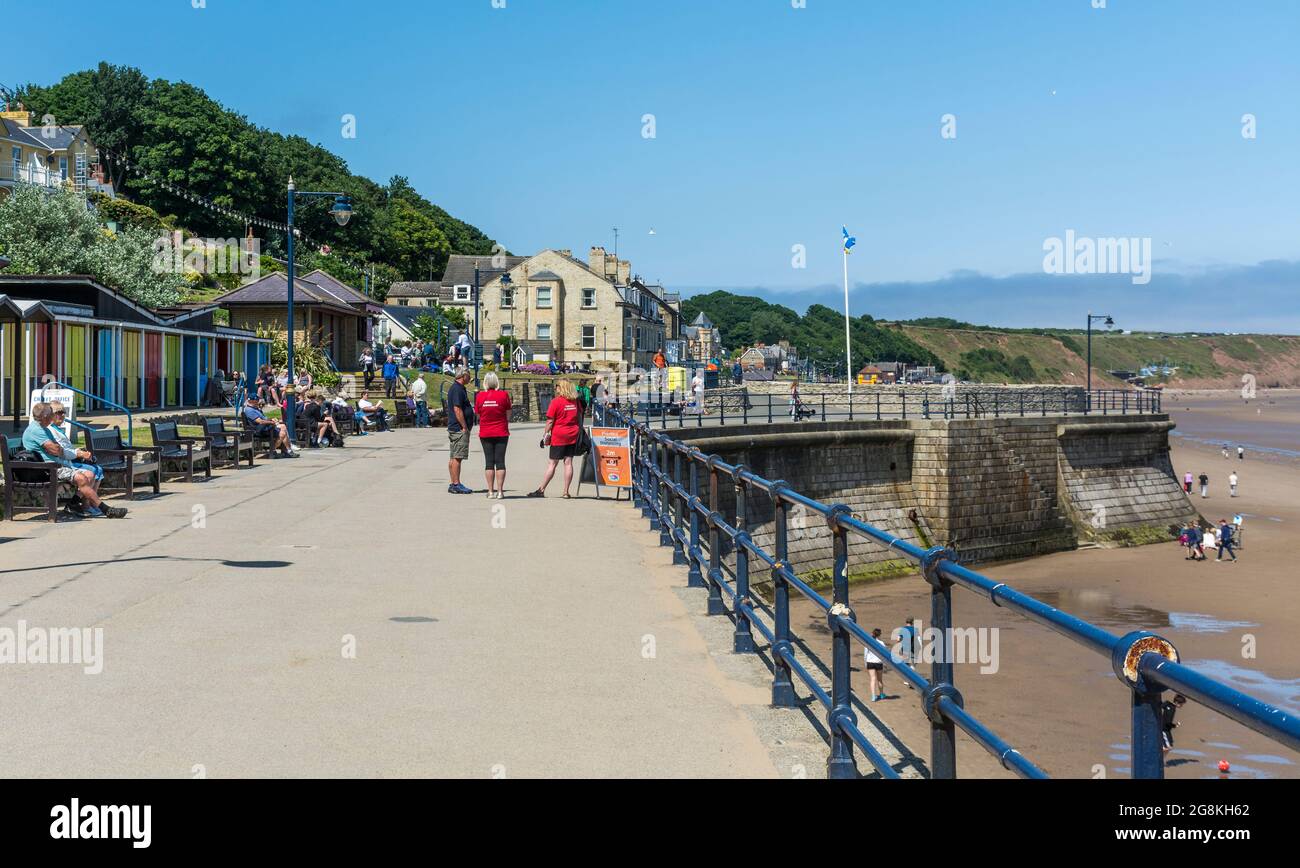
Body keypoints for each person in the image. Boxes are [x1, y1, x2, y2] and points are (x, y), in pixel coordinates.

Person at [23, 402, 127, 519]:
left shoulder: (44, 429)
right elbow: (56, 450)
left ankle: (73, 504)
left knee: (90, 474)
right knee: (81, 478)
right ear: (45, 416)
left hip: (57, 464)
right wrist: (58, 450)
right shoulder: (36, 430)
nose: (53, 416)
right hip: (48, 468)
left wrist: (58, 449)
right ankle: (106, 509)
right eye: (52, 413)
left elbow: (58, 449)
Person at [527, 379, 583, 499]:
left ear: (561, 387)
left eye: (556, 386)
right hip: (572, 434)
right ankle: (566, 492)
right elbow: (579, 416)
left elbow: (550, 421)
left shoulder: (556, 402)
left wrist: (545, 435)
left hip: (559, 436)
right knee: (568, 463)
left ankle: (541, 489)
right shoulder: (575, 402)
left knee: (552, 463)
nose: (555, 388)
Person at [475, 372, 512, 499]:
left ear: (485, 382)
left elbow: (478, 414)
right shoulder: (503, 395)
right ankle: (500, 491)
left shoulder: (480, 396)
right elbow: (508, 414)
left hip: (485, 432)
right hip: (501, 431)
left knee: (489, 462)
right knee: (500, 461)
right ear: (497, 382)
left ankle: (490, 491)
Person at [446, 368, 475, 494]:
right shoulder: (457, 389)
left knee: (454, 456)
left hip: (455, 427)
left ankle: (453, 483)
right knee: (457, 457)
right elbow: (457, 409)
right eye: (469, 375)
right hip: (458, 428)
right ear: (463, 376)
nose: (470, 378)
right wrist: (464, 426)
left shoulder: (458, 388)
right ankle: (456, 484)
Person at [864, 628, 886, 702]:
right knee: (880, 679)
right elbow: (884, 654)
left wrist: (865, 663)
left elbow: (865, 654)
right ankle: (882, 694)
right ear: (879, 635)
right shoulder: (882, 643)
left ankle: (873, 696)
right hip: (878, 662)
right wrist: (884, 663)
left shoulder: (868, 642)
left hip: (870, 662)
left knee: (872, 679)